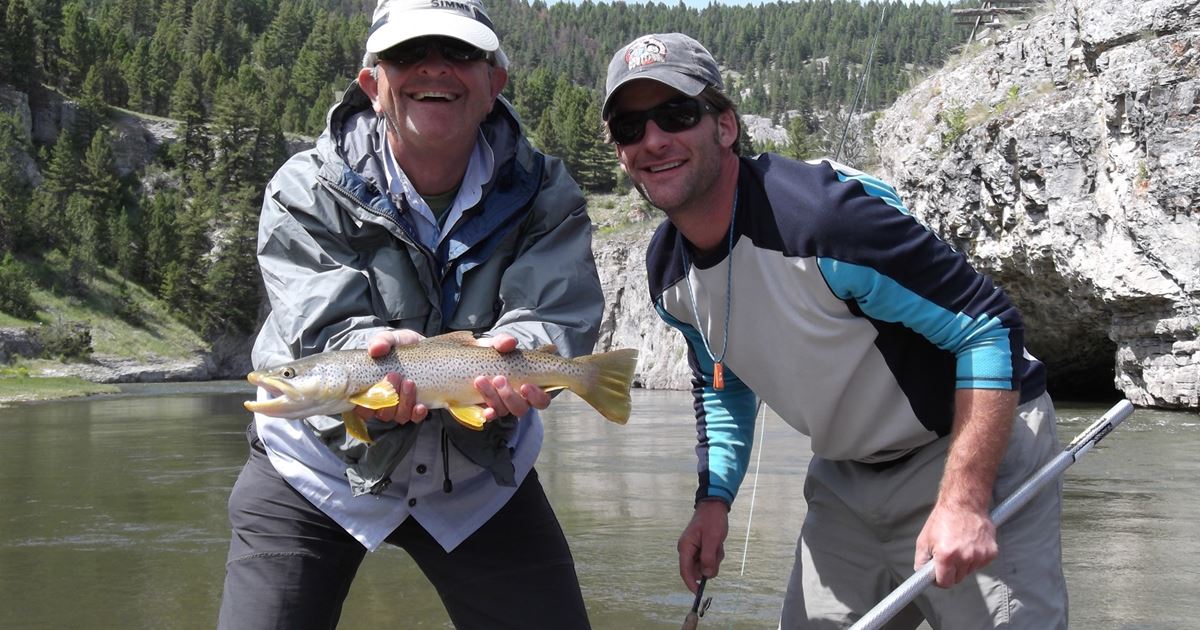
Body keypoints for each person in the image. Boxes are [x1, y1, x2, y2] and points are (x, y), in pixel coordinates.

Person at [601, 33, 1066, 629]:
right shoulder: (668, 274)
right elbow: (723, 380)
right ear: (619, 152)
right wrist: (712, 502)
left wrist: (966, 499)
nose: (654, 140)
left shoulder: (824, 222)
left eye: (676, 114)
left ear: (725, 127)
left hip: (968, 445)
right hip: (845, 478)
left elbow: (987, 326)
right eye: (630, 126)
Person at [217, 1, 603, 628]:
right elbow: (325, 326)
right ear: (373, 84)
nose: (434, 69)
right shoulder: (306, 188)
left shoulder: (545, 191)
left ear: (493, 83)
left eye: (459, 53)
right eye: (407, 55)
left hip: (478, 471)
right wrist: (373, 354)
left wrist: (519, 354)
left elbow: (552, 307)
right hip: (317, 465)